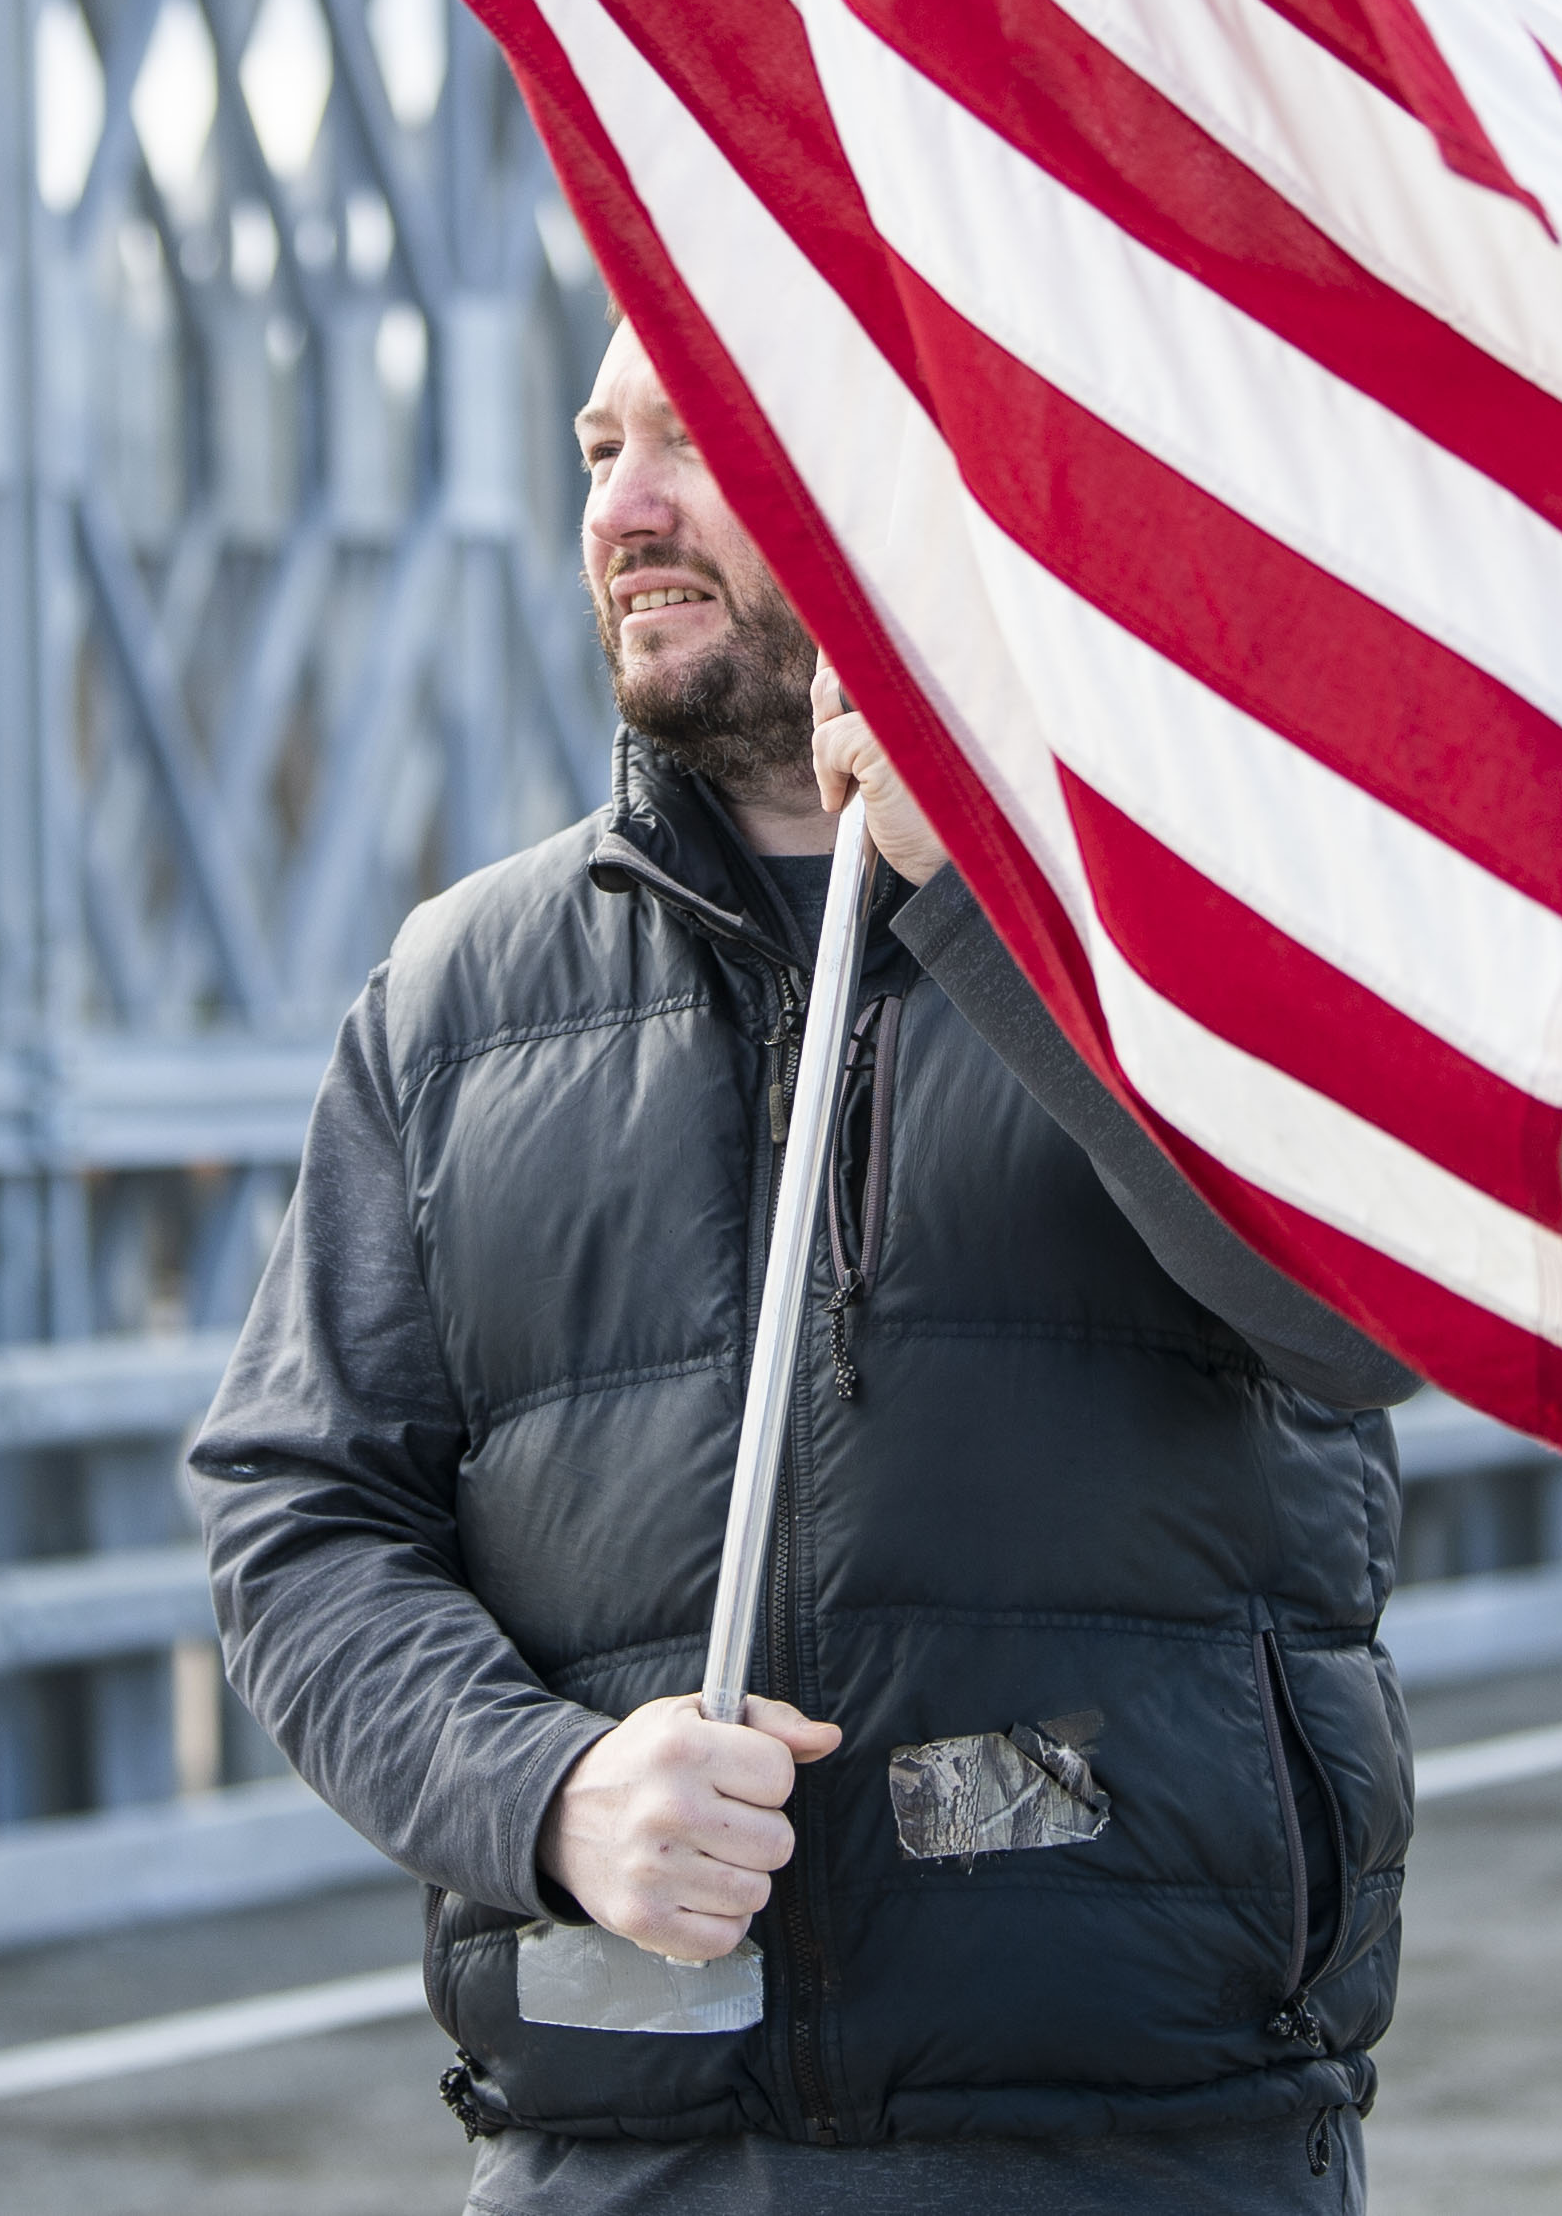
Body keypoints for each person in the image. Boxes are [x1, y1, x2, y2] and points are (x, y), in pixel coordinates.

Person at [191, 319, 1420, 2214]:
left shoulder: (1194, 904)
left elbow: (1360, 1314)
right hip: (626, 2145)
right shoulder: (456, 993)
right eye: (599, 446)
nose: (625, 505)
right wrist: (546, 1790)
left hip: (1140, 2145)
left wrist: (998, 915)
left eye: (693, 434)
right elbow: (298, 1508)